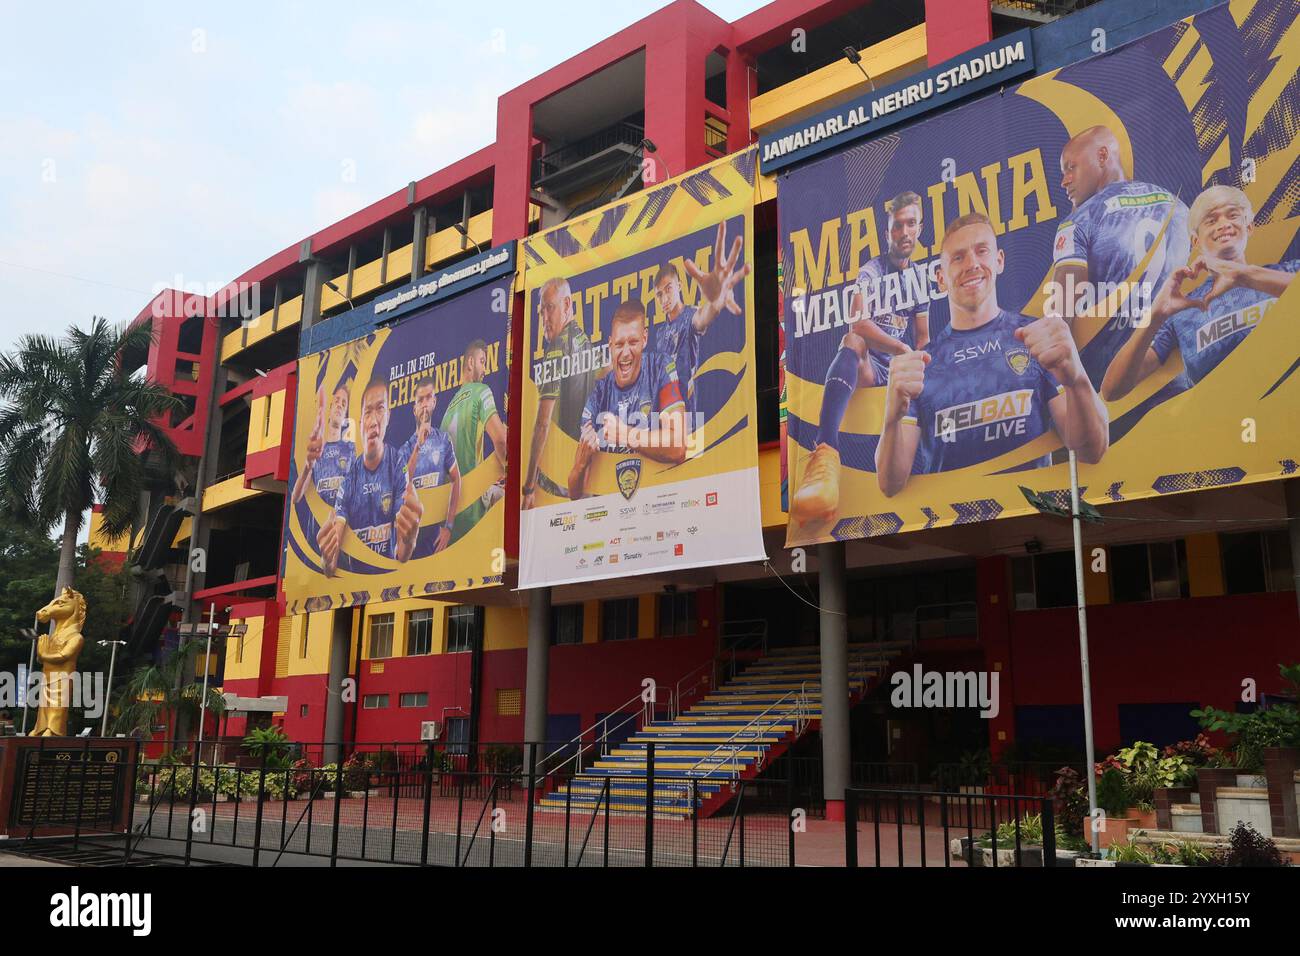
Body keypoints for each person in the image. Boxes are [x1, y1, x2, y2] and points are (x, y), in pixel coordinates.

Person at [876, 212, 1109, 496]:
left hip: (1035, 522)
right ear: (940, 278)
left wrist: (1077, 379)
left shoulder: (1036, 337)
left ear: (999, 260)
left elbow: (1092, 449)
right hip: (955, 530)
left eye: (981, 251)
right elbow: (890, 484)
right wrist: (890, 421)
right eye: (958, 257)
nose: (972, 264)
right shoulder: (923, 363)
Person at [790, 190, 933, 526]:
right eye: (897, 226)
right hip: (873, 366)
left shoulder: (918, 279)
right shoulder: (872, 271)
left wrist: (921, 361)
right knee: (852, 338)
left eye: (910, 224)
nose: (904, 232)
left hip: (897, 373)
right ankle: (825, 451)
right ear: (888, 233)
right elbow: (858, 321)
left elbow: (924, 336)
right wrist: (900, 349)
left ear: (919, 228)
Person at [1102, 185, 1298, 401]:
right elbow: (1112, 389)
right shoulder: (1184, 310)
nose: (1224, 224)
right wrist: (1155, 315)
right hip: (1221, 427)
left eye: (1232, 215)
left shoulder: (1288, 273)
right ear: (1195, 241)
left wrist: (1244, 275)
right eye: (1211, 220)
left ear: (1249, 226)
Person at [1051, 125, 1191, 386]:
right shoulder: (1177, 206)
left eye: (1071, 167)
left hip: (1111, 392)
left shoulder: (1079, 221)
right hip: (1180, 378)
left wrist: (1060, 386)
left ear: (1102, 156)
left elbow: (1060, 315)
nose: (1064, 180)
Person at [568, 300, 687, 500]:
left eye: (633, 342)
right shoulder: (599, 393)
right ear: (610, 345)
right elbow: (574, 492)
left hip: (660, 505)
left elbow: (678, 446)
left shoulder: (660, 367)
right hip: (612, 515)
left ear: (644, 338)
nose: (625, 353)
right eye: (619, 345)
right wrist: (580, 464)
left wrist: (625, 434)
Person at [318, 378, 423, 575]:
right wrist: (326, 558)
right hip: (356, 588)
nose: (374, 421)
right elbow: (330, 565)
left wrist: (410, 540)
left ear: (388, 416)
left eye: (380, 409)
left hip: (387, 584)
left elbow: (402, 554)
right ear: (360, 423)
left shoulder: (397, 464)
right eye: (368, 412)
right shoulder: (351, 477)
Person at [652, 219, 750, 411]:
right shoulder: (659, 332)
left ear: (680, 286)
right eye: (659, 294)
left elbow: (703, 318)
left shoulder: (690, 316)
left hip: (688, 413)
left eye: (668, 289)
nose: (664, 298)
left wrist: (716, 300)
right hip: (665, 414)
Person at [523, 277, 597, 509]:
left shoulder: (556, 349)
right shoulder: (585, 342)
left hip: (559, 480)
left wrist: (528, 487)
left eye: (550, 308)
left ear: (567, 305)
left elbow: (542, 425)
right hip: (583, 476)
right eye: (541, 311)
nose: (544, 319)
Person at [440, 339, 507, 543]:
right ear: (470, 363)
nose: (485, 369)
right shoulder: (481, 391)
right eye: (483, 361)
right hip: (475, 509)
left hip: (451, 517)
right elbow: (502, 441)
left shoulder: (447, 411)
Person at [398, 377, 461, 555]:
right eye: (420, 400)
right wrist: (418, 446)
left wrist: (448, 526)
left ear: (434, 402)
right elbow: (402, 484)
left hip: (435, 538)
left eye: (428, 398)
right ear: (414, 408)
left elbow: (457, 479)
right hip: (411, 538)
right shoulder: (405, 449)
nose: (424, 404)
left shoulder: (443, 440)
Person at [291, 382, 352, 507]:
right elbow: (296, 497)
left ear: (346, 414)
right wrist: (308, 467)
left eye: (344, 404)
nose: (339, 405)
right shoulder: (317, 450)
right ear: (330, 408)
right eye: (337, 401)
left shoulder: (351, 450)